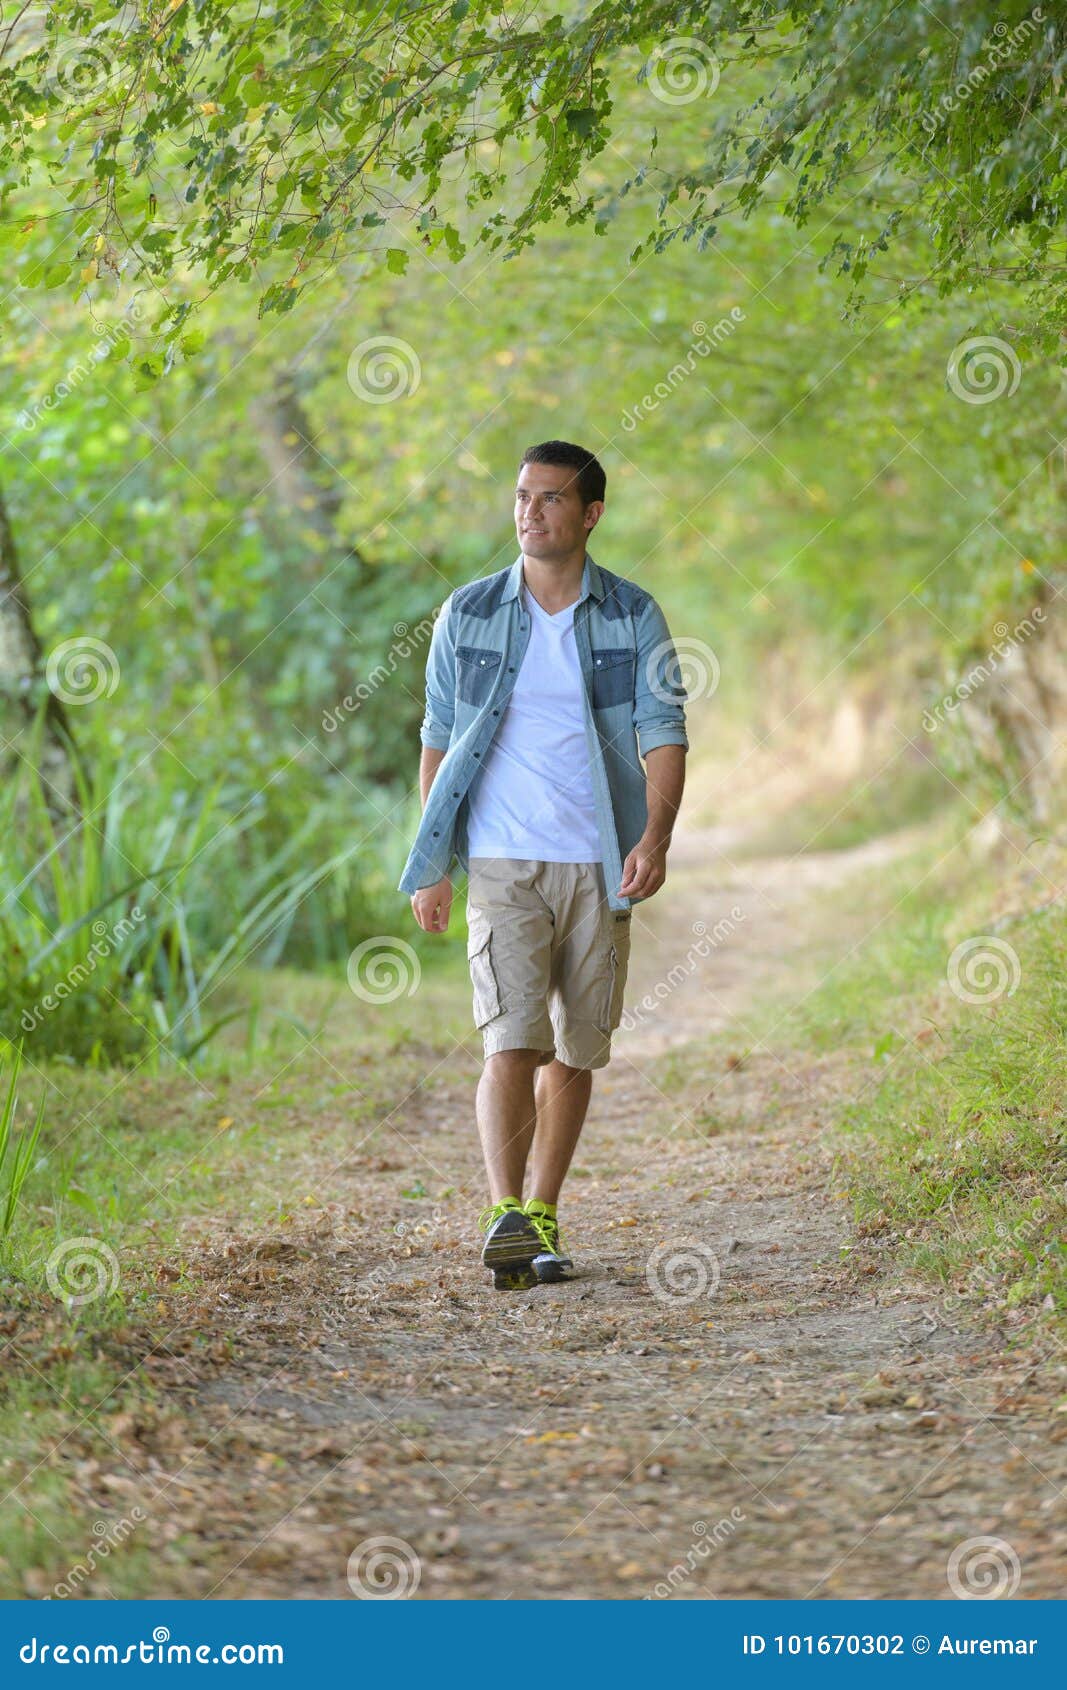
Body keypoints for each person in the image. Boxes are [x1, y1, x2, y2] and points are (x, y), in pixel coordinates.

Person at [398, 440, 688, 1289]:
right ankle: (503, 1214)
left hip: (598, 859)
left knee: (576, 1048)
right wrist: (434, 858)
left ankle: (545, 1208)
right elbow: (439, 737)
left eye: (551, 499)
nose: (530, 511)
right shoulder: (469, 611)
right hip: (500, 859)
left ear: (590, 514)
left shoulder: (632, 614)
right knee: (509, 1039)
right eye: (522, 495)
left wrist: (655, 837)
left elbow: (662, 731)